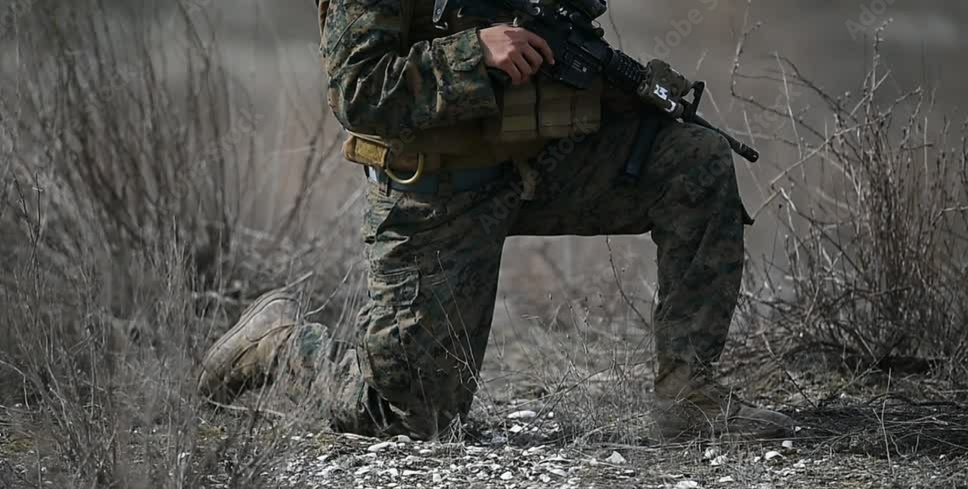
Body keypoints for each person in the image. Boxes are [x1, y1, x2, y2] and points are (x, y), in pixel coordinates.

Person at [196, 0, 795, 441]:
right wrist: (473, 52)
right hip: (437, 187)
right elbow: (358, 90)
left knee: (693, 161)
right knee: (412, 417)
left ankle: (689, 393)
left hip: (541, 161)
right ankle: (279, 343)